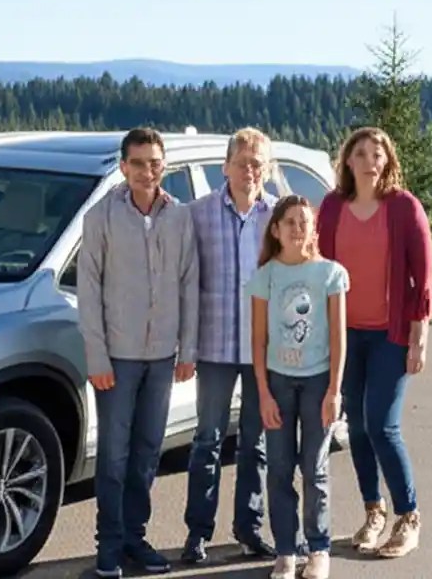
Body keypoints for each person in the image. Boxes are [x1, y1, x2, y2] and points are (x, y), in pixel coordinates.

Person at [78, 127, 200, 578]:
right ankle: (107, 547)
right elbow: (89, 293)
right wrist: (98, 358)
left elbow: (189, 285)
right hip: (117, 359)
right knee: (112, 456)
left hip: (162, 357)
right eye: (138, 163)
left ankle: (136, 538)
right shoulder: (101, 219)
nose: (147, 171)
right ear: (123, 166)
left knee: (148, 451)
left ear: (162, 165)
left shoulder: (180, 217)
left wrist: (187, 348)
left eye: (155, 162)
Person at [315, 126, 432, 559]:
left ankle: (409, 517)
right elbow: (319, 270)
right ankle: (373, 513)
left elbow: (423, 279)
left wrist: (419, 339)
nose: (369, 160)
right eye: (360, 153)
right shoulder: (331, 208)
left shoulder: (404, 208)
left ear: (387, 161)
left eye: (376, 153)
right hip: (347, 335)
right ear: (348, 161)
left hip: (391, 334)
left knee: (382, 424)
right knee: (358, 426)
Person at [181, 127, 279, 564]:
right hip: (216, 346)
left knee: (255, 445)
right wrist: (186, 346)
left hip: (263, 351)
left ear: (266, 169)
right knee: (207, 441)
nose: (249, 171)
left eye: (257, 164)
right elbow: (184, 282)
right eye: (242, 163)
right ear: (226, 167)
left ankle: (249, 529)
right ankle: (198, 532)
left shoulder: (277, 218)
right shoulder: (198, 214)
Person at [246, 194, 348, 579]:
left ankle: (318, 549)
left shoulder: (330, 274)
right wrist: (264, 392)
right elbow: (258, 341)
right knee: (279, 469)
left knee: (314, 467)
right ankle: (286, 551)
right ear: (276, 229)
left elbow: (339, 339)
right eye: (289, 222)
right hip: (278, 383)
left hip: (318, 381)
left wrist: (334, 390)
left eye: (304, 221)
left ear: (313, 229)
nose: (297, 228)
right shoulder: (266, 276)